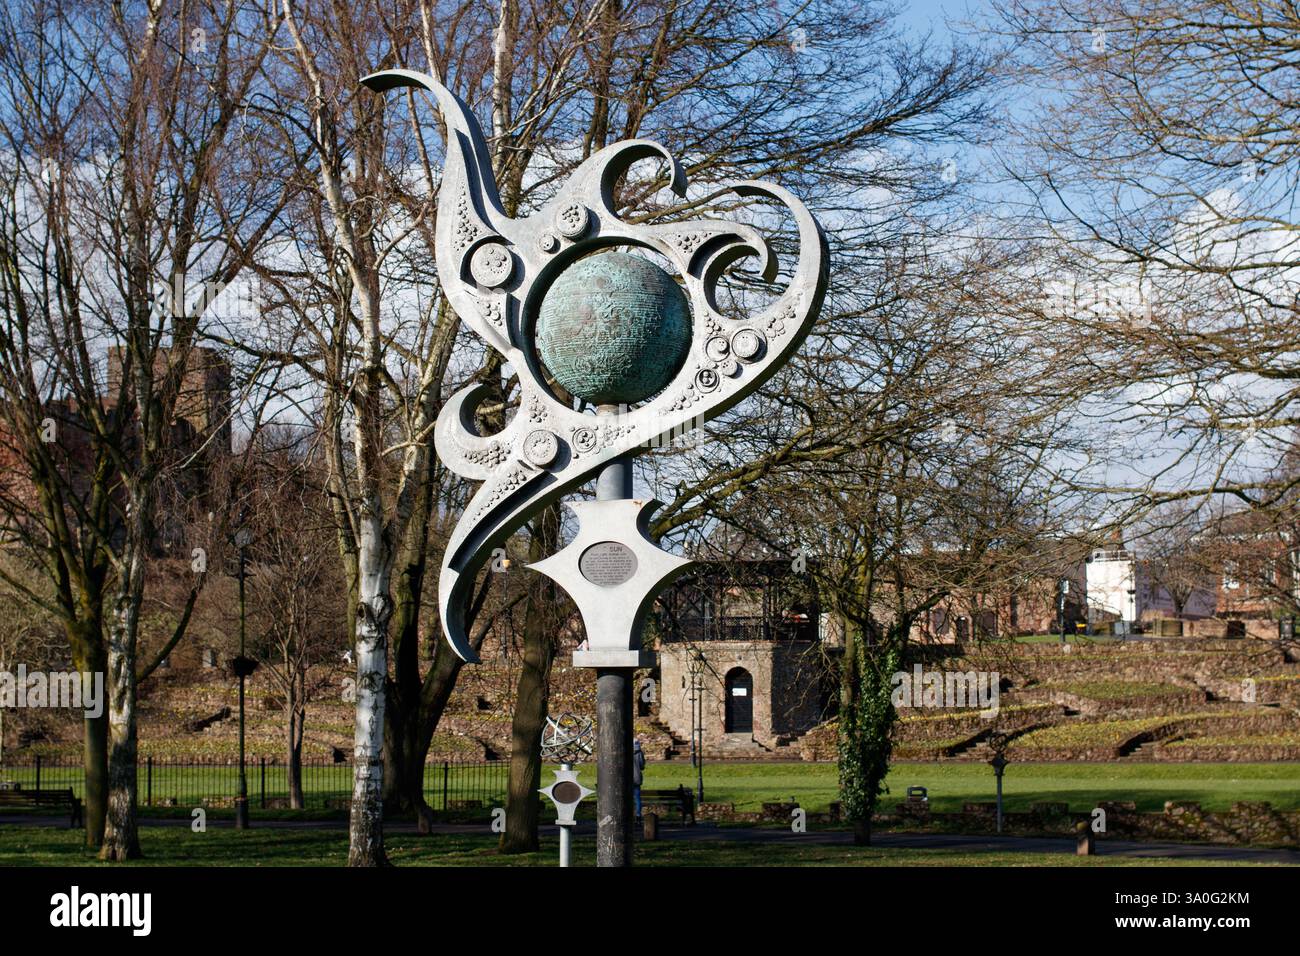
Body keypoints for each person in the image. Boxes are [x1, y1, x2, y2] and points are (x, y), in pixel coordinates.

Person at [632, 736, 646, 821]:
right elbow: (642, 766)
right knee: (637, 798)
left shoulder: (625, 749)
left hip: (627, 778)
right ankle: (638, 814)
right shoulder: (640, 753)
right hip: (637, 778)